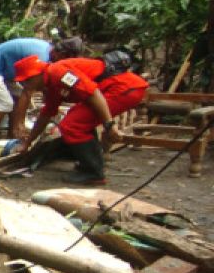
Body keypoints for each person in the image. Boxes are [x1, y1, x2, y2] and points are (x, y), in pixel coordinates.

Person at [13, 49, 148, 185]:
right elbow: (46, 114)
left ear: (38, 74)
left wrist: (109, 124)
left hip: (125, 88)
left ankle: (93, 172)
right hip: (119, 89)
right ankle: (90, 164)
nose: (26, 85)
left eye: (27, 81)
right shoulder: (52, 84)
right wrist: (27, 142)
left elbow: (93, 93)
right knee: (76, 118)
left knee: (72, 124)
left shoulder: (58, 72)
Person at [0, 36, 84, 145]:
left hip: (6, 73)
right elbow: (28, 90)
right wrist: (20, 123)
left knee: (18, 97)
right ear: (61, 53)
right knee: (5, 104)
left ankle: (12, 135)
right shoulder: (40, 58)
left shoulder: (48, 51)